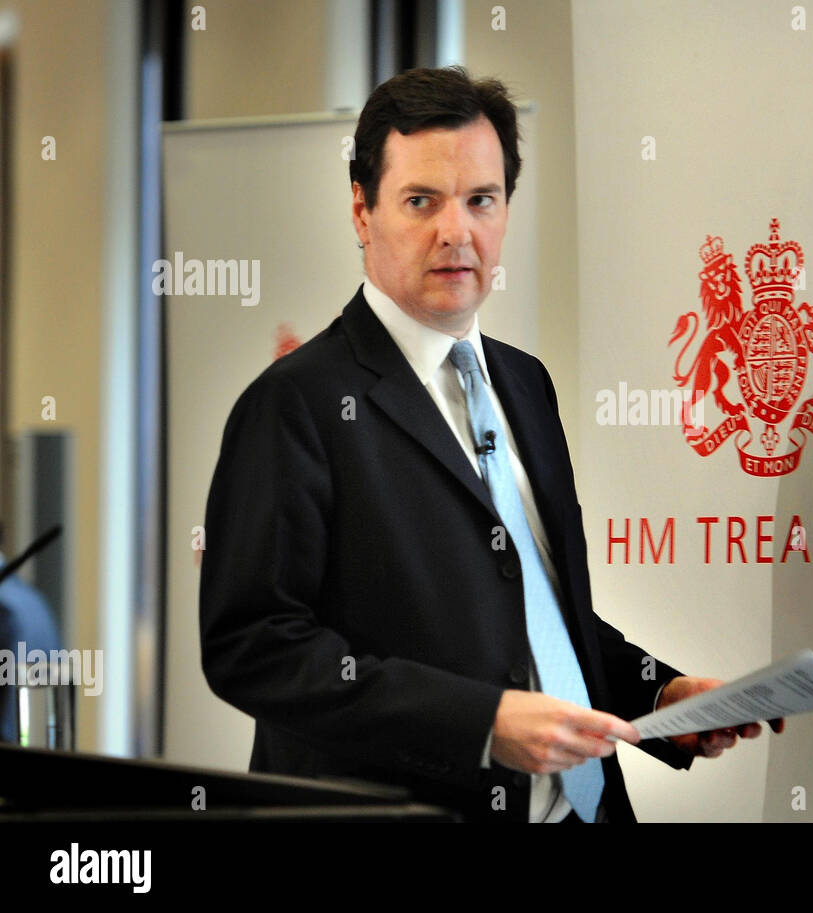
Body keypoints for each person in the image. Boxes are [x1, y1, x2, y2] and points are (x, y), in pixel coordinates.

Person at [199, 66, 781, 823]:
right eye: (421, 201)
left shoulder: (525, 384)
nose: (456, 231)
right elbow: (255, 646)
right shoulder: (294, 404)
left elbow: (539, 614)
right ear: (361, 211)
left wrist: (659, 693)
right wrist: (479, 723)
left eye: (482, 199)